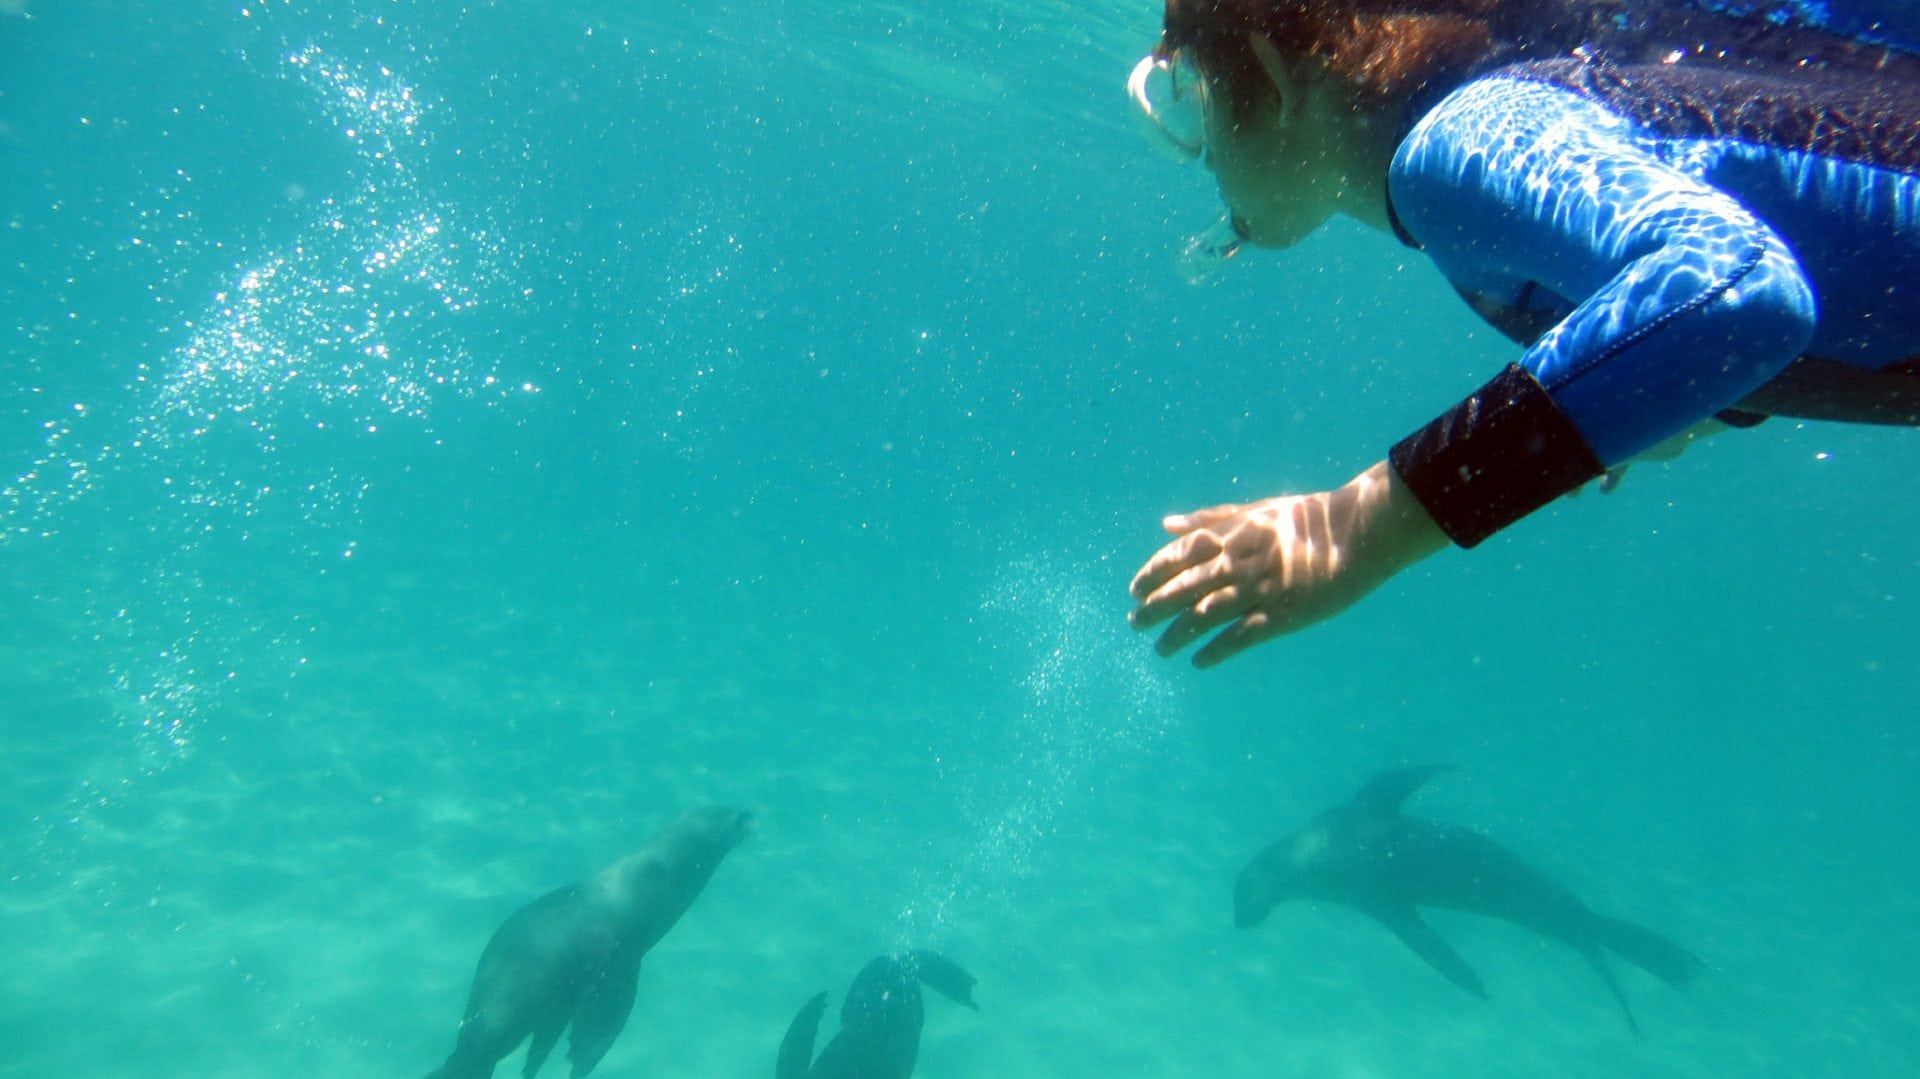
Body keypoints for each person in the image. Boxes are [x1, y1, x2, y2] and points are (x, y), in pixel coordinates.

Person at [1122, 0, 1920, 666]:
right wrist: (1667, 395)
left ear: (1270, 70)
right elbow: (1794, 241)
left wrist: (1359, 529)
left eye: (1189, 93)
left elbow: (1737, 287)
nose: (1199, 159)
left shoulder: (1450, 151)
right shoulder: (1503, 124)